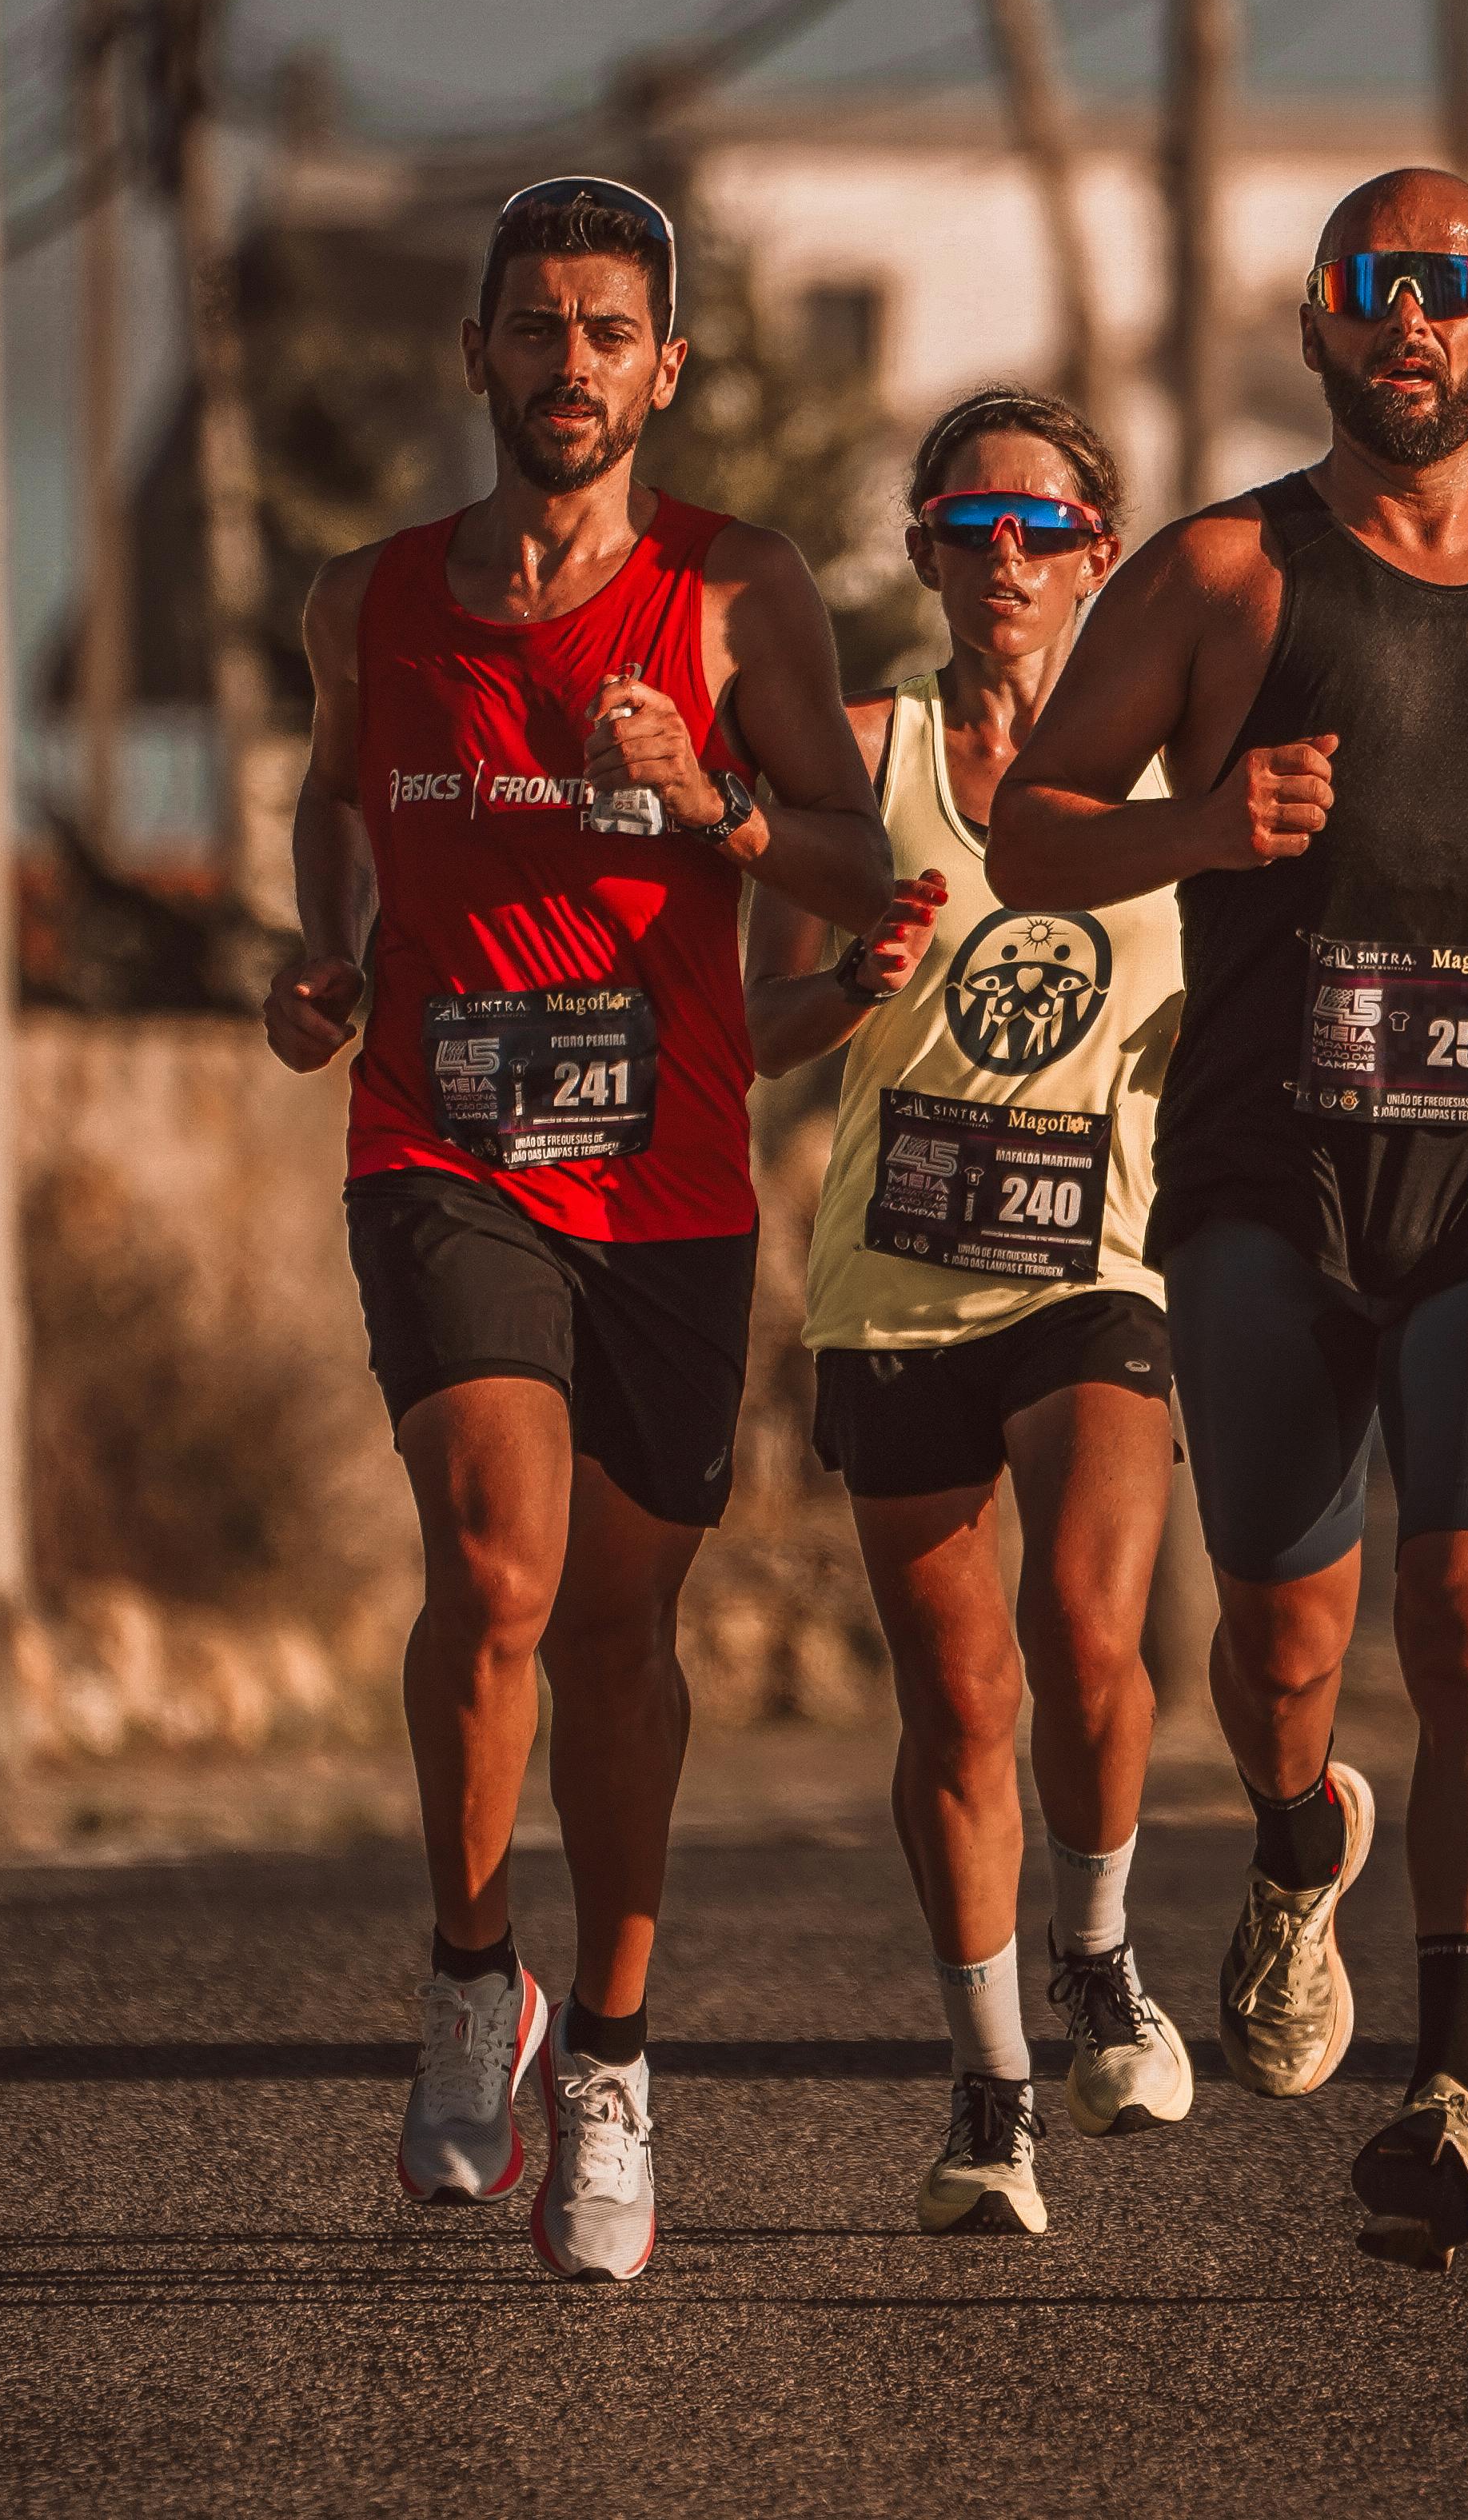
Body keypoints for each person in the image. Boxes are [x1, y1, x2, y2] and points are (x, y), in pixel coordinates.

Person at [987, 169, 1468, 2269]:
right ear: (1318, 329)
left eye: (1447, 288)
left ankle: (1456, 2092)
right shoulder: (1223, 573)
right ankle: (1297, 1837)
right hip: (1272, 1184)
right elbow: (1031, 825)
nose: (1405, 320)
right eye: (1366, 286)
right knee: (1291, 1649)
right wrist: (1202, 825)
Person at [259, 176, 892, 2283]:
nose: (567, 363)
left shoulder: (734, 596)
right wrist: (323, 951)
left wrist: (704, 792)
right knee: (499, 1562)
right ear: (478, 356)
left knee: (621, 1630)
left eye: (607, 330)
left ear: (665, 369)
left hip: (669, 1174)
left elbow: (841, 839)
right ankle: (467, 1973)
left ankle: (606, 2053)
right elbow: (336, 795)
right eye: (533, 327)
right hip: (440, 1141)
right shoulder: (372, 596)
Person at [745, 387, 1195, 2240]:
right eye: (968, 529)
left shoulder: (1188, 769)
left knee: (1086, 1630)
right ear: (924, 552)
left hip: (1097, 1265)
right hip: (897, 1279)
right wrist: (853, 977)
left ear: (1103, 554)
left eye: (1040, 532)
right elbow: (746, 1036)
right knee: (957, 1698)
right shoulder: (858, 761)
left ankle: (1094, 1948)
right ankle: (988, 2091)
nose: (1003, 563)